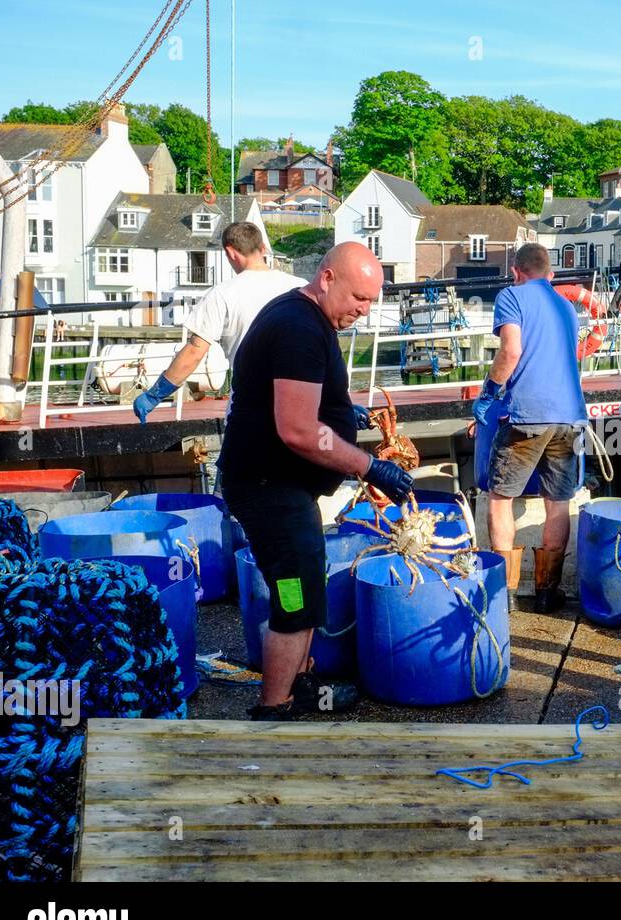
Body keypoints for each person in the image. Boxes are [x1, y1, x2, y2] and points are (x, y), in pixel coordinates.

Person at [218, 242, 413, 720]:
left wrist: (344, 410)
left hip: (284, 489)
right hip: (268, 488)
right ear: (326, 278)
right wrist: (370, 467)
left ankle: (301, 684)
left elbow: (300, 399)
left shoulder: (305, 317)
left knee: (306, 585)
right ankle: (274, 707)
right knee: (296, 598)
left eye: (371, 302)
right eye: (357, 298)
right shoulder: (299, 328)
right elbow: (299, 429)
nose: (363, 312)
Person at [473, 243, 587, 614]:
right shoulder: (566, 307)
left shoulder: (511, 295)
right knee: (558, 504)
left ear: (516, 271)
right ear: (549, 274)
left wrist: (488, 394)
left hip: (529, 417)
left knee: (500, 498)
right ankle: (547, 592)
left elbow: (511, 351)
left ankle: (502, 594)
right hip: (570, 417)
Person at [132, 221, 307, 423]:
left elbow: (194, 352)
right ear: (263, 248)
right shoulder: (300, 287)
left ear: (230, 253)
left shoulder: (222, 294)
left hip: (251, 404)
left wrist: (155, 395)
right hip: (303, 400)